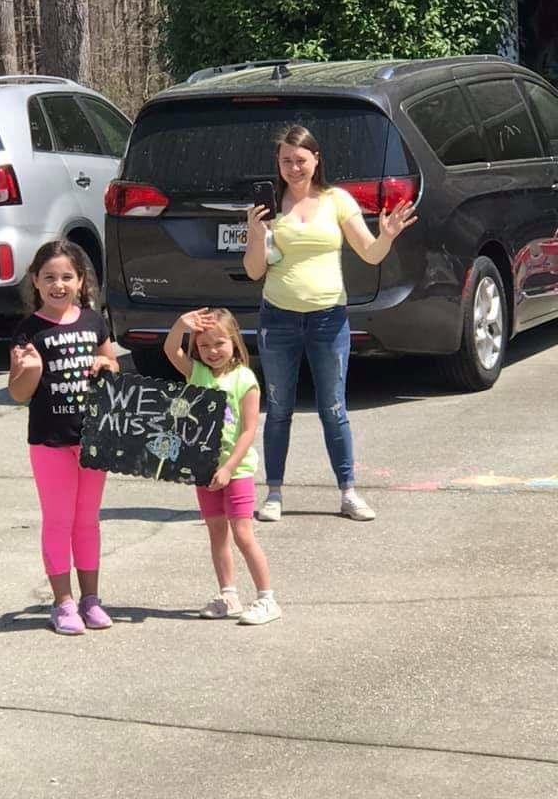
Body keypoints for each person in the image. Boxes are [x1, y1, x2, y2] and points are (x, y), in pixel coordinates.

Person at [244, 124, 416, 522]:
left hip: (328, 319)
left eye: (300, 160)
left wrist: (387, 234)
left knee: (333, 407)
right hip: (279, 319)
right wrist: (255, 234)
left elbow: (371, 254)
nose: (293, 168)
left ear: (316, 159)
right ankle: (273, 494)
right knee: (280, 407)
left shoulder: (337, 200)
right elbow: (254, 271)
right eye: (285, 161)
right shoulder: (269, 209)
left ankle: (348, 492)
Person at [9, 239, 119, 636]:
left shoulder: (93, 321)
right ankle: (63, 602)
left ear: (81, 281)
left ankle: (91, 599)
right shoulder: (28, 330)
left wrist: (105, 362)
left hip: (93, 440)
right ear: (35, 281)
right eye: (50, 277)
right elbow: (18, 393)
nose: (59, 284)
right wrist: (32, 370)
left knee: (87, 521)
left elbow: (113, 368)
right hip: (49, 441)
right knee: (58, 521)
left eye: (67, 277)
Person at [164, 307, 281, 625]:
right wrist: (180, 324)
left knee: (243, 534)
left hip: (236, 470)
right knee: (217, 533)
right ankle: (228, 594)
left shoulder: (245, 379)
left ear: (234, 341)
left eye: (219, 343)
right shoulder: (197, 373)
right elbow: (170, 350)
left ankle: (267, 599)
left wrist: (229, 467)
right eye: (204, 346)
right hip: (204, 469)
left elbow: (248, 429)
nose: (212, 351)